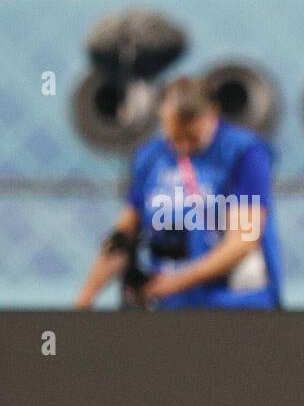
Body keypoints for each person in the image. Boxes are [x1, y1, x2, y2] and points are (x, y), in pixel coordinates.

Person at [75, 76, 282, 310]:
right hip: (171, 306)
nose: (183, 146)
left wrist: (177, 282)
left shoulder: (245, 154)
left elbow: (244, 239)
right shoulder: (151, 157)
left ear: (211, 114)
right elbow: (124, 234)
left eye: (191, 137)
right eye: (175, 137)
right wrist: (86, 298)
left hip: (236, 303)